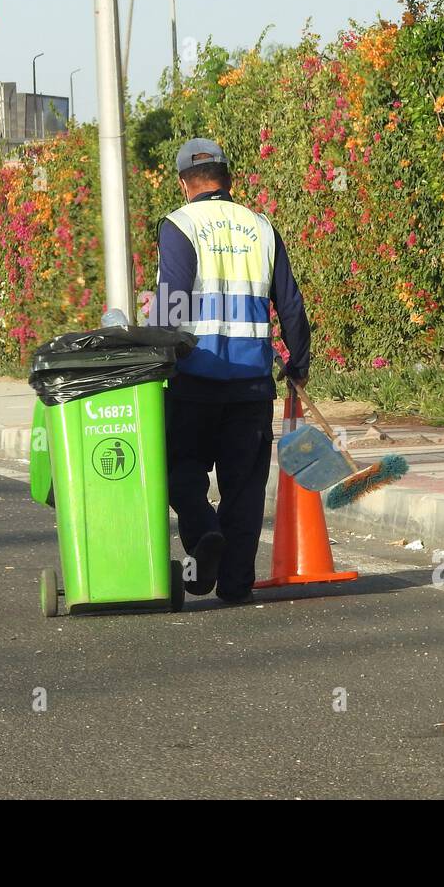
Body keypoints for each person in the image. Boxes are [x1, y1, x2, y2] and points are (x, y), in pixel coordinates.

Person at [150, 138, 311, 603]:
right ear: (229, 179)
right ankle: (237, 586)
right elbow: (292, 305)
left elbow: (171, 303)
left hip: (193, 381)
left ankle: (203, 537)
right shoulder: (261, 226)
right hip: (251, 386)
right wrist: (297, 363)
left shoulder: (179, 225)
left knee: (181, 471)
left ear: (184, 184)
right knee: (243, 487)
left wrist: (153, 355)